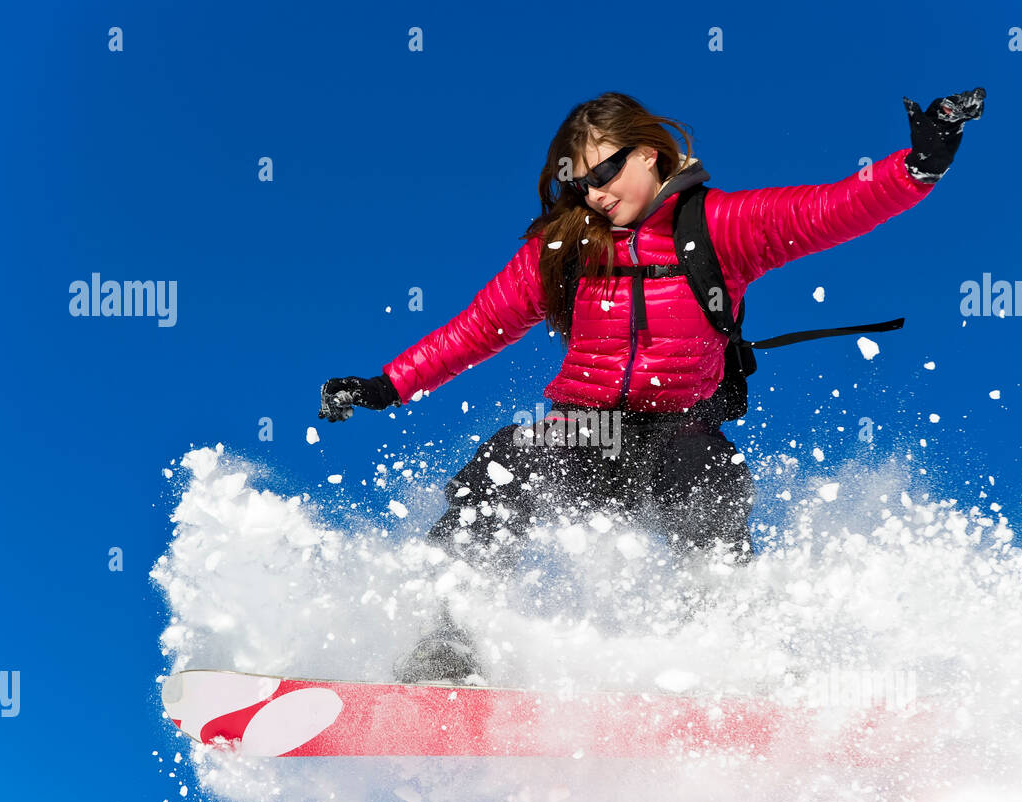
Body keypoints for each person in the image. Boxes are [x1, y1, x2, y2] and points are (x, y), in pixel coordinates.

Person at [318, 89, 985, 684]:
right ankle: (446, 645)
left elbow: (825, 211)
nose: (595, 192)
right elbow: (479, 327)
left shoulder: (718, 228)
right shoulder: (564, 249)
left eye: (604, 172)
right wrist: (388, 385)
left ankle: (731, 655)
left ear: (650, 153)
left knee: (707, 476)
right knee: (505, 462)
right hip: (587, 434)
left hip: (679, 432)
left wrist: (918, 166)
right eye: (579, 184)